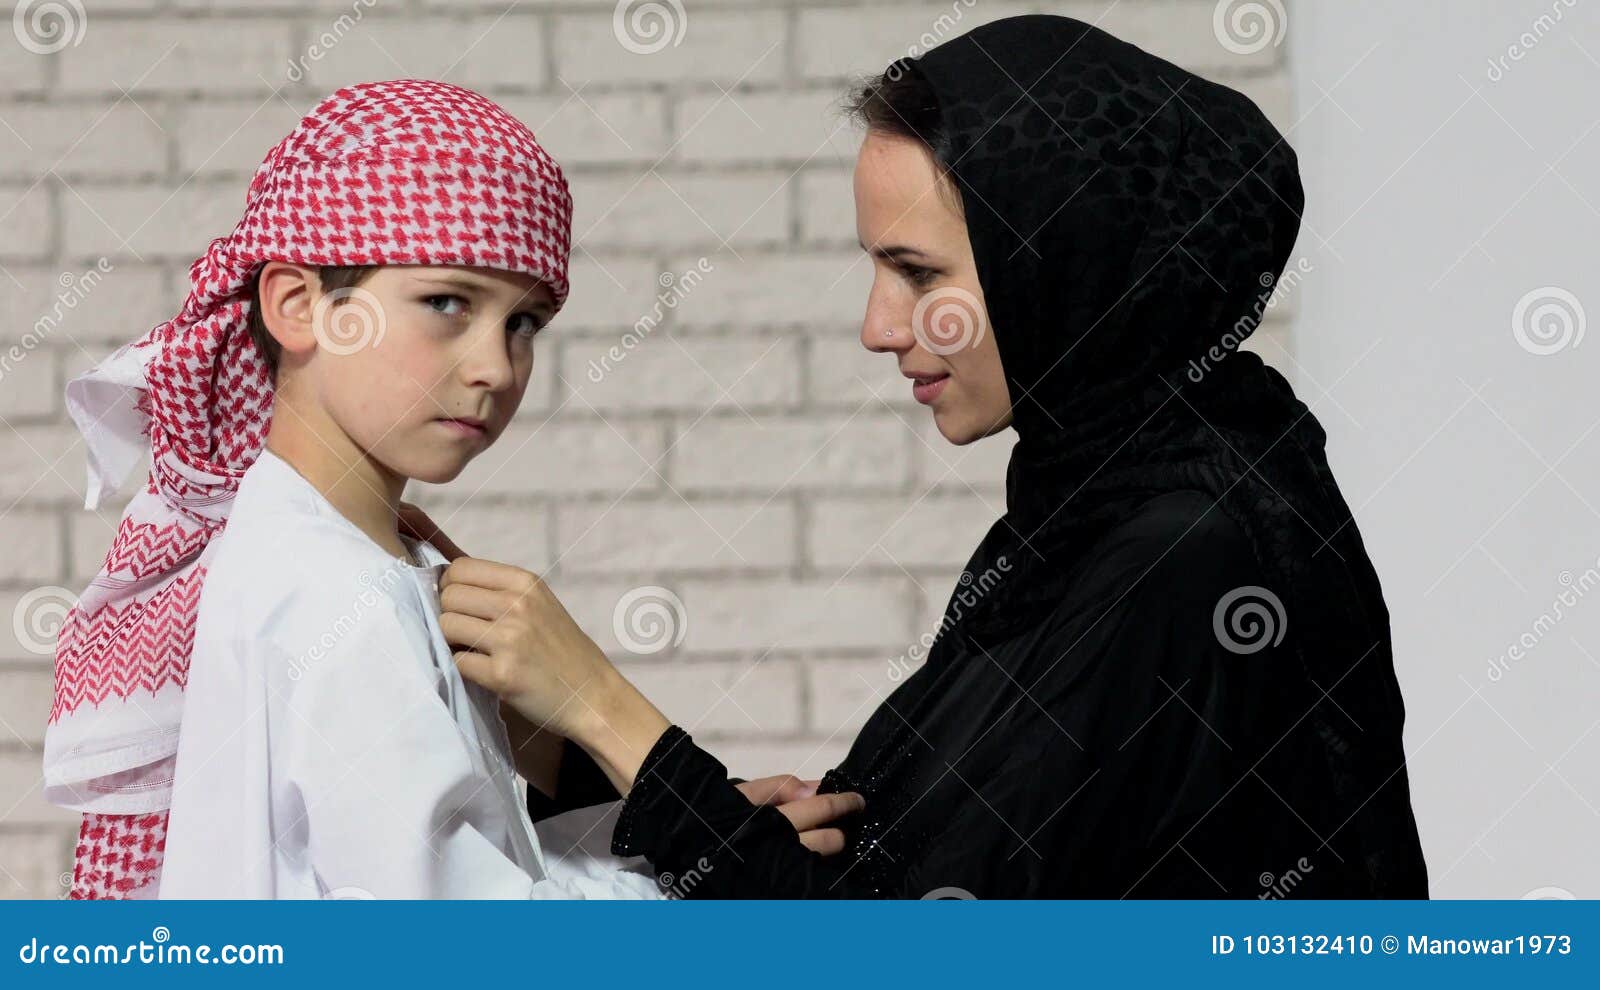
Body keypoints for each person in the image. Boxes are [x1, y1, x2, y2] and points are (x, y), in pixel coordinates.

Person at [423, 15, 1431, 897]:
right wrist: (564, 738)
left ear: (1060, 257)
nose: (877, 326)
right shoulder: (1097, 503)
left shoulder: (1184, 553)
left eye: (918, 273)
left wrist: (605, 706)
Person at [43, 79, 846, 899]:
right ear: (297, 304)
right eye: (447, 302)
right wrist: (705, 874)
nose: (496, 367)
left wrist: (692, 832)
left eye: (523, 322)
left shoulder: (343, 553)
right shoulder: (336, 594)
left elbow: (452, 862)